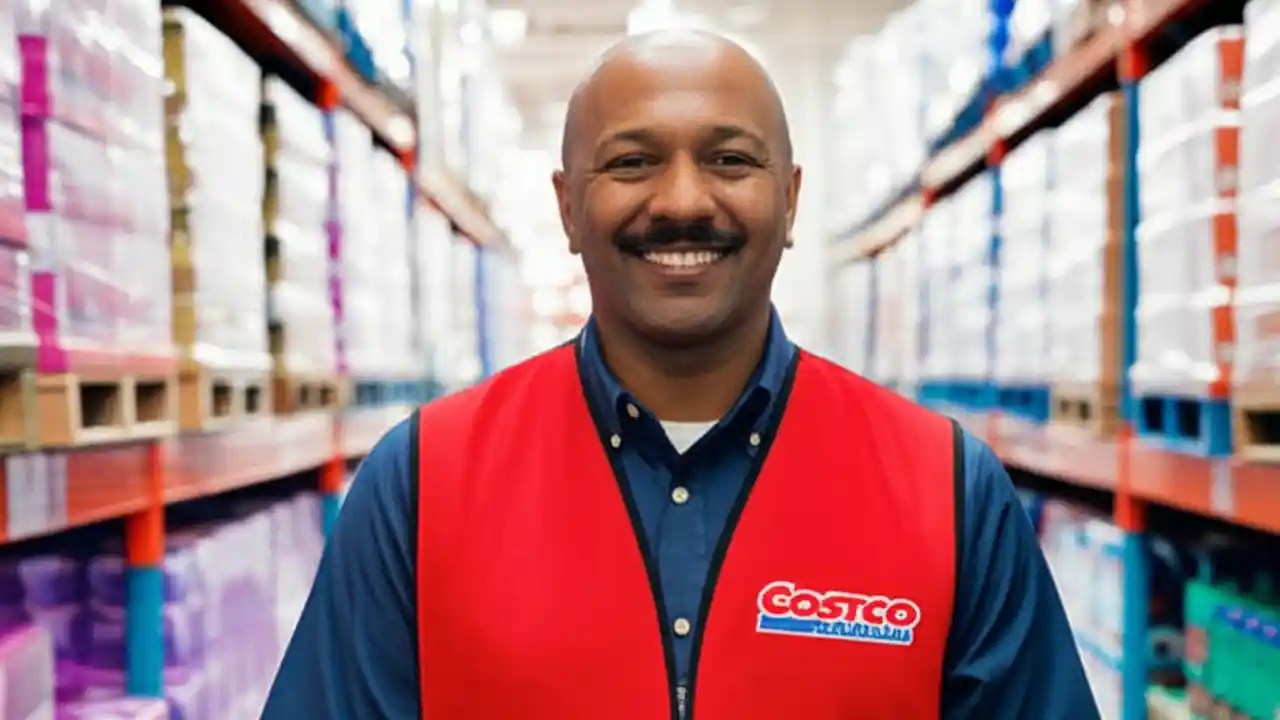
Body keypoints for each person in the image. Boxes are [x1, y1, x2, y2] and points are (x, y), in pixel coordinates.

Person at [263, 30, 1100, 719]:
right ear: (565, 208)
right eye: (631, 164)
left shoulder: (948, 491)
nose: (682, 201)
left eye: (731, 161)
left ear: (791, 199)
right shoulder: (420, 485)